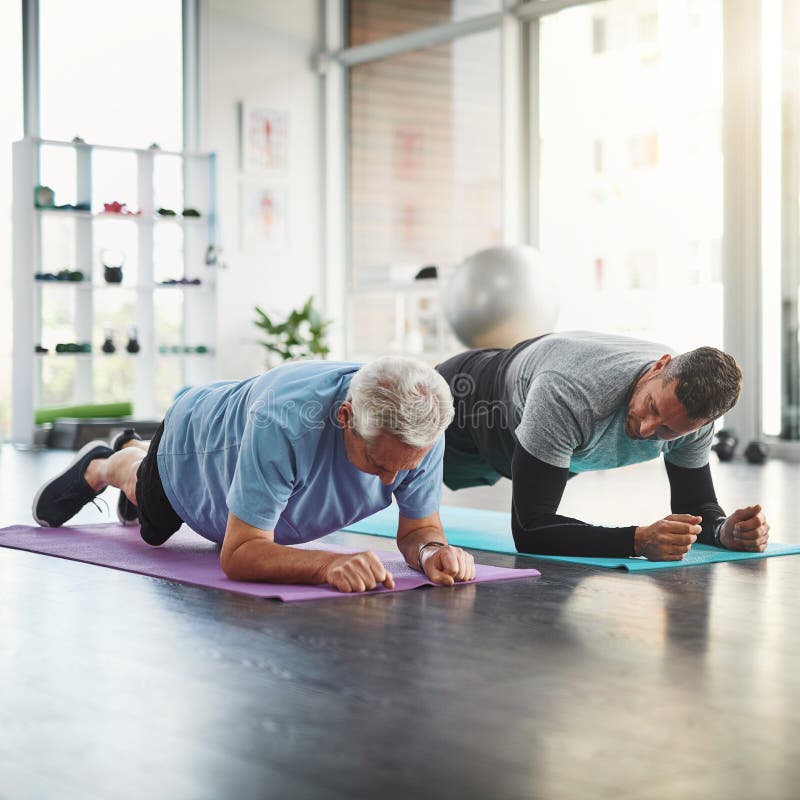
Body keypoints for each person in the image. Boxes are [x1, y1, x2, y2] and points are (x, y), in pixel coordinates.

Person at [33, 357, 476, 592]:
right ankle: (114, 460)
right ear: (345, 417)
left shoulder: (419, 427)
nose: (388, 483)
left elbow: (420, 529)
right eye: (380, 466)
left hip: (256, 449)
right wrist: (328, 564)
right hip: (195, 443)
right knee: (153, 520)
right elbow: (240, 553)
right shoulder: (284, 421)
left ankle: (134, 459)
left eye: (405, 468)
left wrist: (432, 552)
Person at [436, 331, 770, 561]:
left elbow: (695, 506)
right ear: (659, 365)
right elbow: (530, 530)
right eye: (652, 406)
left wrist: (725, 531)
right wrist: (637, 540)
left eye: (668, 430)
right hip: (469, 404)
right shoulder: (569, 393)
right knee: (389, 473)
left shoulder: (693, 420)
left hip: (522, 433)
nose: (646, 429)